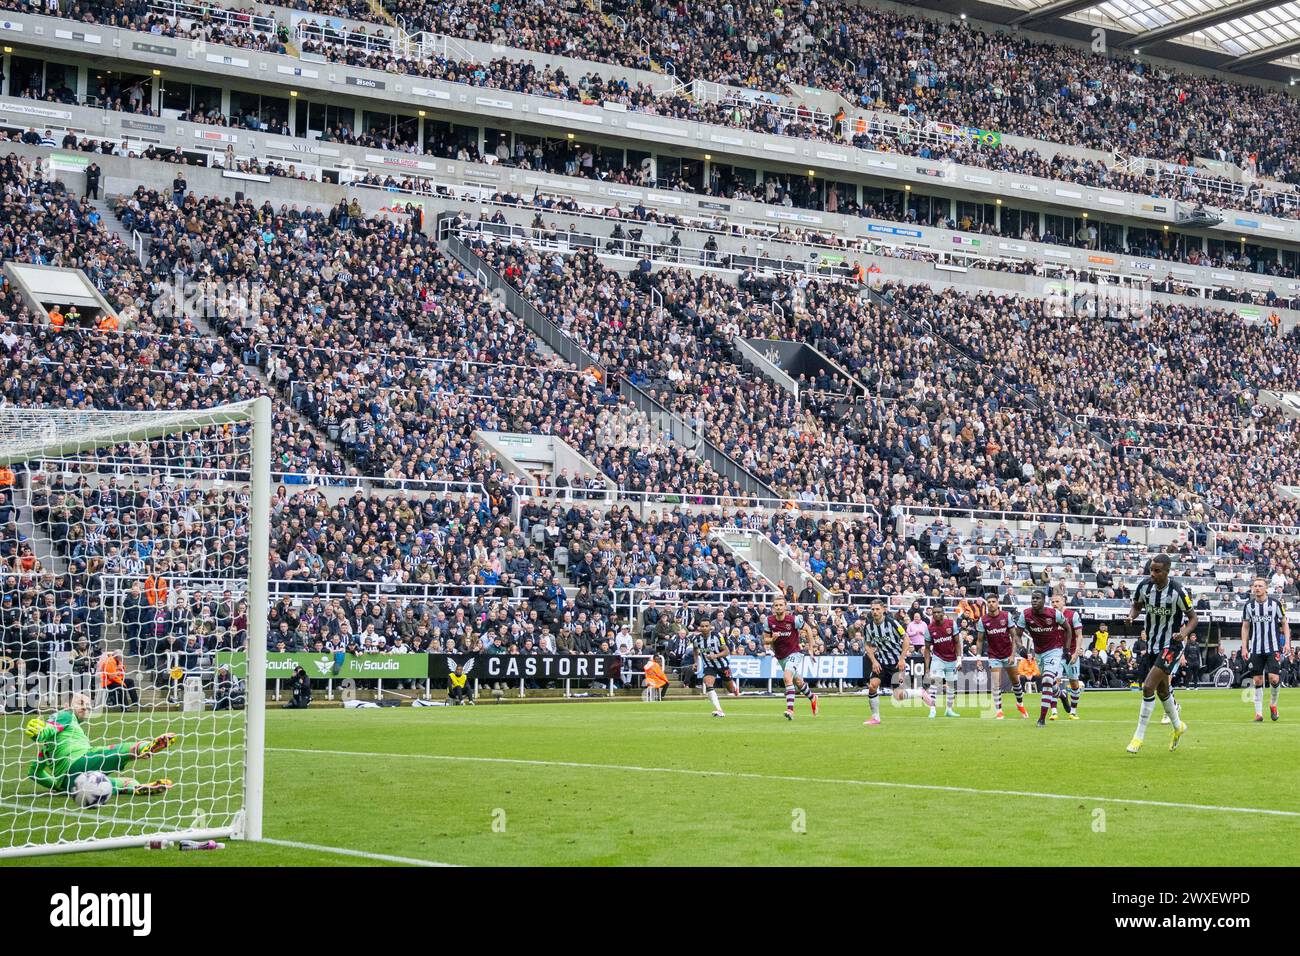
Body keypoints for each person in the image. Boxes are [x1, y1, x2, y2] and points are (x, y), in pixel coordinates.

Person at [23, 693, 175, 796]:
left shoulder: (48, 748)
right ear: (67, 705)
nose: (86, 707)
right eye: (81, 703)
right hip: (79, 763)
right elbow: (49, 728)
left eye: (88, 705)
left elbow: (34, 773)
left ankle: (134, 788)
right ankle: (148, 747)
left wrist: (58, 785)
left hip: (72, 785)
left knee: (114, 783)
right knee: (115, 750)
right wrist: (39, 733)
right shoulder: (66, 715)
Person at [1125, 554, 1196, 754]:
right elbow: (1137, 606)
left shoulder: (1178, 591)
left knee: (1148, 687)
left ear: (1167, 572)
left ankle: (1138, 738)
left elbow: (1193, 618)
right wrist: (1131, 616)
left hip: (1171, 645)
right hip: (1153, 645)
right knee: (1163, 691)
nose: (1153, 574)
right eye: (1151, 570)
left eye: (1157, 571)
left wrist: (1183, 633)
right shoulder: (1144, 587)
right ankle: (1178, 726)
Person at [1017, 589, 1068, 727]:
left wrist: (1067, 650)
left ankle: (1042, 718)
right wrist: (1020, 646)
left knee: (1046, 680)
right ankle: (1061, 694)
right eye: (1033, 598)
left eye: (1038, 598)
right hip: (1039, 652)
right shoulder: (1025, 615)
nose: (1034, 600)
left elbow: (1068, 628)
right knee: (1050, 683)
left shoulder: (1054, 614)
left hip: (1054, 650)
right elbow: (1017, 634)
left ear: (1044, 601)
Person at [1241, 577, 1288, 722]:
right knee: (1257, 680)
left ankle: (1273, 705)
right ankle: (1258, 714)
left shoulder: (1275, 604)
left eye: (1260, 586)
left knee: (1274, 678)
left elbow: (1284, 623)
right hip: (1256, 648)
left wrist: (1287, 643)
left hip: (1273, 647)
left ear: (1266, 588)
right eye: (1255, 586)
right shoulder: (1249, 606)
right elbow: (1245, 626)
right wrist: (1244, 647)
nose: (1257, 588)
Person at [763, 597, 817, 720]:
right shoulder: (769, 621)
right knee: (798, 682)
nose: (778, 607)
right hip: (780, 656)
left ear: (786, 606)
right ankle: (813, 697)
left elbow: (808, 628)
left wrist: (810, 648)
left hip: (795, 653)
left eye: (781, 605)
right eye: (776, 605)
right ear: (773, 607)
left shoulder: (793, 620)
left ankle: (790, 710)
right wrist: (772, 639)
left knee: (787, 678)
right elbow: (765, 640)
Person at [976, 594, 1028, 719]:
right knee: (996, 683)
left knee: (1015, 681)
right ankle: (999, 711)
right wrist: (978, 657)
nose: (991, 604)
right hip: (994, 656)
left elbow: (1014, 636)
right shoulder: (983, 620)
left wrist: (1012, 654)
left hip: (1008, 654)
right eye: (989, 602)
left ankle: (1020, 704)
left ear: (998, 603)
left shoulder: (1006, 616)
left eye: (993, 601)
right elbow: (979, 640)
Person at [861, 601, 908, 725]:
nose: (875, 612)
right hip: (881, 663)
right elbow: (867, 644)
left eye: (877, 609)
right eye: (873, 609)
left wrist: (902, 658)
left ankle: (920, 693)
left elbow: (906, 638)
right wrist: (874, 661)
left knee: (899, 696)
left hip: (896, 663)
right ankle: (875, 717)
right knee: (872, 686)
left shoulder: (892, 623)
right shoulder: (868, 627)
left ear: (883, 609)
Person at [693, 620, 738, 718]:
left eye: (706, 626)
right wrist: (696, 662)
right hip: (709, 666)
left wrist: (716, 656)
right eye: (702, 626)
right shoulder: (696, 639)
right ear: (699, 628)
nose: (704, 628)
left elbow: (727, 651)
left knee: (730, 690)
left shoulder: (717, 636)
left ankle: (734, 687)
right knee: (708, 683)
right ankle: (719, 709)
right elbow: (695, 651)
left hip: (723, 665)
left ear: (710, 627)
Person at [924, 604, 961, 719]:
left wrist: (959, 658)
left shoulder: (951, 624)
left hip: (952, 659)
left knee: (951, 685)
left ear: (943, 613)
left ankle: (949, 710)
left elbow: (957, 642)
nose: (936, 614)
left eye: (938, 612)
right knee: (935, 682)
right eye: (934, 612)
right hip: (938, 657)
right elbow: (926, 648)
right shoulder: (929, 628)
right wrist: (927, 668)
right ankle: (932, 709)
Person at [1052, 594, 1085, 719]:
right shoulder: (1049, 616)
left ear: (1063, 601)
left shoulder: (1073, 615)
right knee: (1053, 682)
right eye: (1052, 601)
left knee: (1074, 683)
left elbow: (1079, 635)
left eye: (1057, 601)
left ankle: (1073, 712)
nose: (1054, 604)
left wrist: (1077, 652)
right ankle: (1054, 712)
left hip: (1071, 653)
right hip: (1055, 654)